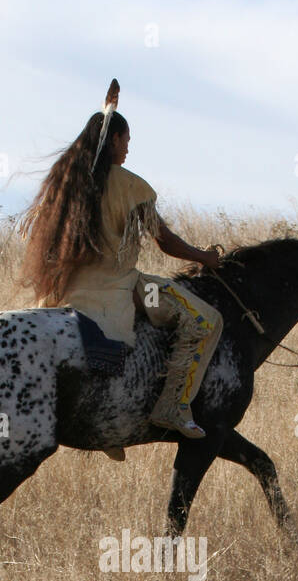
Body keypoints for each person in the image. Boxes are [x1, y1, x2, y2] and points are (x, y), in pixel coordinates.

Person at [18, 80, 223, 452]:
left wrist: (105, 113)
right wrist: (205, 258)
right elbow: (165, 241)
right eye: (125, 140)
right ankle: (174, 407)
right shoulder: (130, 186)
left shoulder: (72, 182)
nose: (128, 148)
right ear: (112, 141)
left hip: (69, 290)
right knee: (206, 321)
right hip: (123, 285)